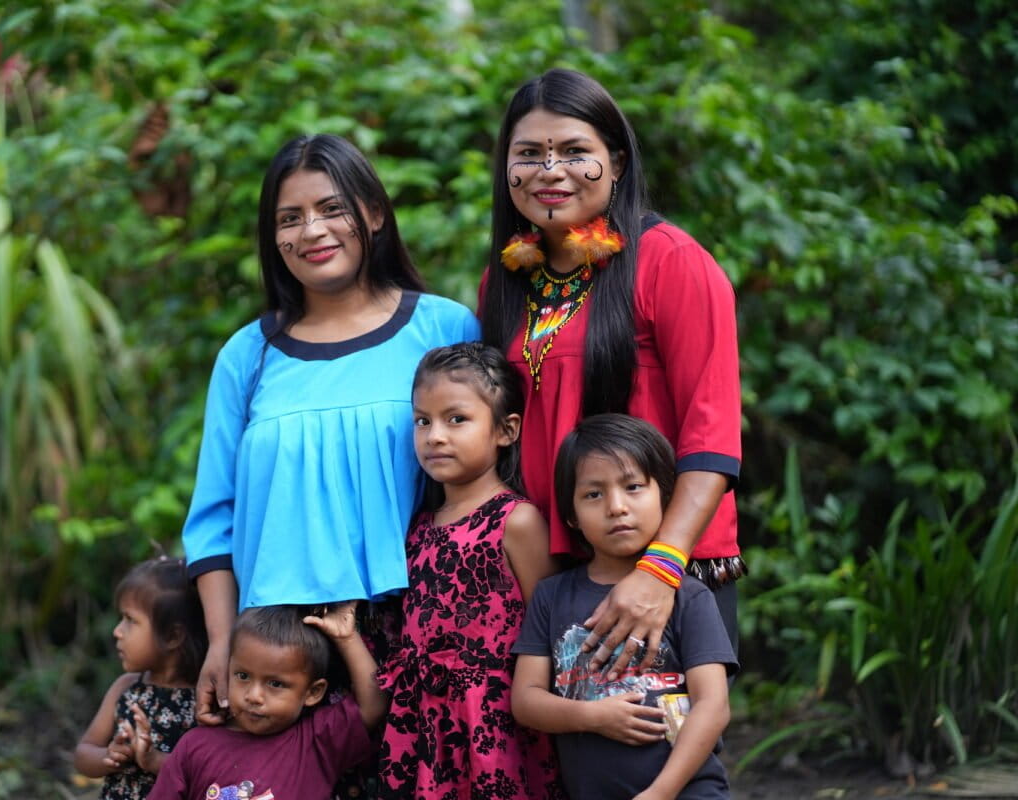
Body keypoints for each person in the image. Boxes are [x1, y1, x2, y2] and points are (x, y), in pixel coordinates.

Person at [181, 134, 480, 726]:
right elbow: (214, 519)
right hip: (280, 655)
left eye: (331, 208)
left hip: (425, 629)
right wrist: (221, 643)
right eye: (289, 218)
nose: (311, 230)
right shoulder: (247, 356)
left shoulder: (444, 328)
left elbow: (487, 484)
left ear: (374, 213)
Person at [479, 68, 744, 673]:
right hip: (553, 576)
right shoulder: (503, 281)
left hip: (664, 569)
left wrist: (659, 570)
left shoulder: (670, 261)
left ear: (617, 162)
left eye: (575, 151)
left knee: (666, 729)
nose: (550, 170)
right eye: (529, 154)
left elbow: (712, 434)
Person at [512, 414, 737, 799]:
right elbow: (525, 700)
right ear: (571, 515)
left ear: (665, 496)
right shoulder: (552, 596)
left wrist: (660, 793)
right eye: (593, 494)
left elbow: (713, 706)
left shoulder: (688, 596)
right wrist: (592, 716)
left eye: (633, 487)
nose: (616, 507)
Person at [377, 342, 563, 799]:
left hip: (494, 724)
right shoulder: (416, 526)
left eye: (456, 419)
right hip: (422, 724)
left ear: (505, 430)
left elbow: (552, 632)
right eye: (422, 421)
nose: (434, 436)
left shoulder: (516, 521)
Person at [148, 603, 387, 800]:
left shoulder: (317, 741)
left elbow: (373, 706)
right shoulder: (195, 746)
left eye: (275, 683)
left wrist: (347, 639)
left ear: (313, 692)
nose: (254, 696)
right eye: (242, 676)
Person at [75, 557, 207, 799]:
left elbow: (209, 775)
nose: (117, 631)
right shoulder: (126, 687)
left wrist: (155, 760)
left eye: (130, 620)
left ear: (172, 636)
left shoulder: (206, 701)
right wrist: (108, 756)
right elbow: (84, 754)